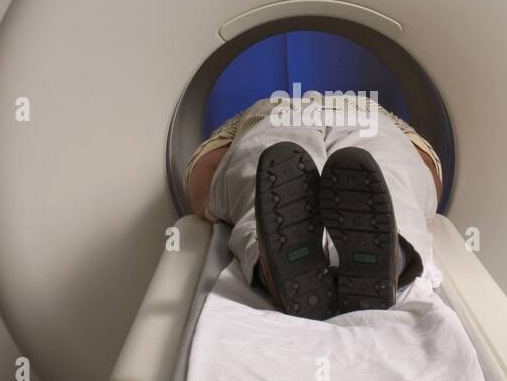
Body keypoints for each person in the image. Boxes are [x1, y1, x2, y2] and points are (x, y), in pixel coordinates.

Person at [185, 90, 443, 320]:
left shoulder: (251, 111)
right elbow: (426, 164)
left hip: (282, 121)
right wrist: (423, 196)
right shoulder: (250, 112)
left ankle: (276, 268)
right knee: (393, 181)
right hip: (349, 120)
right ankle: (392, 258)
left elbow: (205, 165)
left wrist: (213, 202)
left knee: (259, 182)